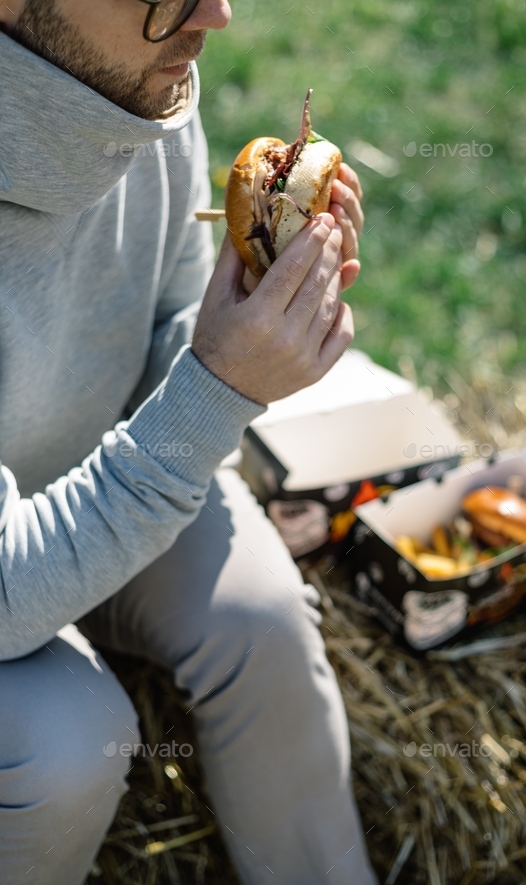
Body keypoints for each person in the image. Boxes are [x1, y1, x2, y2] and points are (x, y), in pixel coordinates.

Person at [0, 1, 377, 883]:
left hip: (90, 473)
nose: (218, 14)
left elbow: (167, 315)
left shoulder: (141, 74)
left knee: (264, 624)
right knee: (68, 746)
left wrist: (251, 313)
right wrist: (219, 390)